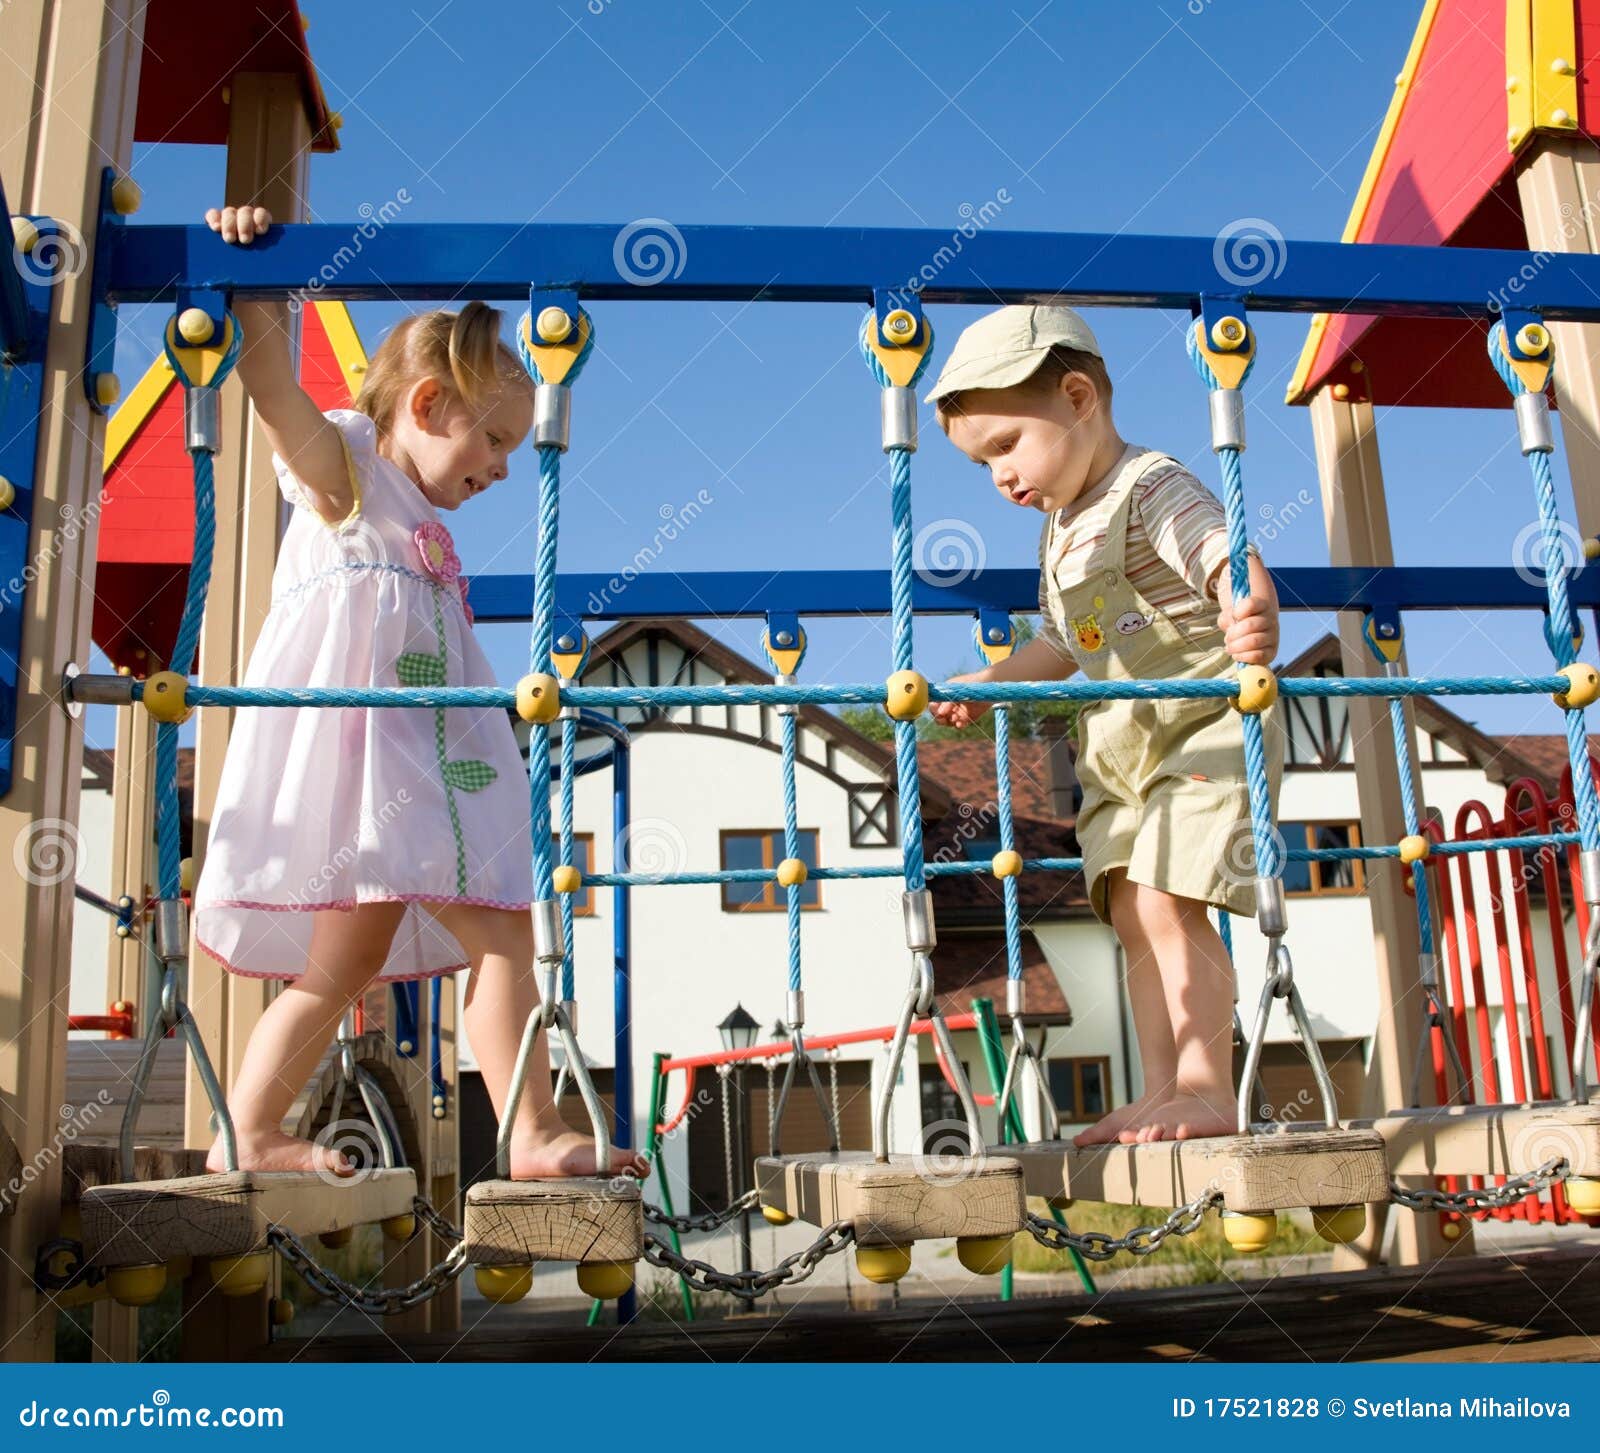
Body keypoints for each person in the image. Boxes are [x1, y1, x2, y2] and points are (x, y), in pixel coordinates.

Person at [192, 204, 646, 1180]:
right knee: (482, 934)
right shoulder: (345, 472)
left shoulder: (412, 519)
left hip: (430, 755)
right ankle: (521, 1131)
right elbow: (270, 385)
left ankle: (254, 1129)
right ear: (431, 404)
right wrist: (262, 271)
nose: (500, 466)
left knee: (381, 956)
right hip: (373, 761)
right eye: (494, 438)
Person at [925, 305, 1282, 1145]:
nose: (1000, 479)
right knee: (1130, 912)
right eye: (982, 464)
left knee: (1167, 899)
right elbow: (1061, 643)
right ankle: (1165, 1088)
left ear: (1079, 396)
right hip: (1119, 742)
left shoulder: (1149, 484)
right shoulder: (1059, 530)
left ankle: (1205, 1083)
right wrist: (994, 681)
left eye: (1007, 446)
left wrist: (1250, 596)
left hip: (1199, 719)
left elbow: (1218, 547)